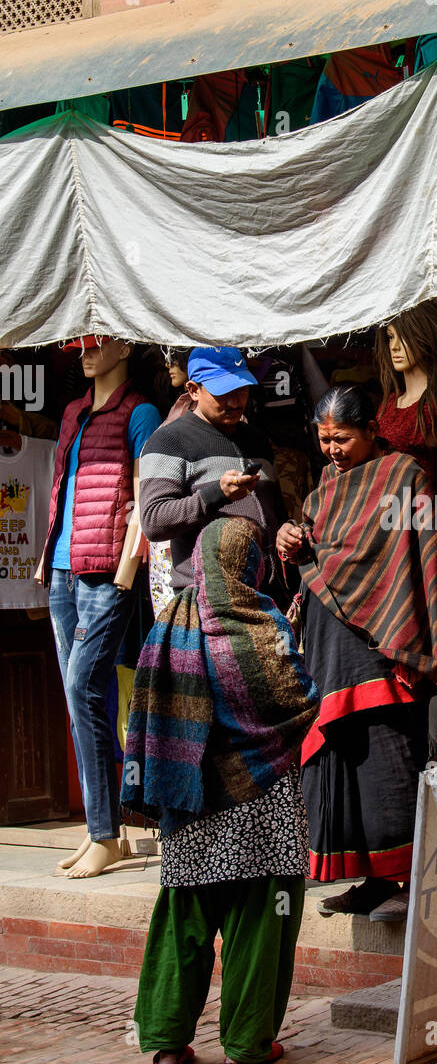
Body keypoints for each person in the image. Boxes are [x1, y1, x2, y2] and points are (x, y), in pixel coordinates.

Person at [122, 516, 319, 1064]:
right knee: (262, 916)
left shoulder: (166, 625)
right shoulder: (260, 622)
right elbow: (298, 700)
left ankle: (165, 1042)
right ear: (249, 563)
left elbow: (146, 715)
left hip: (189, 798)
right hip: (263, 799)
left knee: (183, 914)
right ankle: (247, 1044)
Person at [278, 385, 437, 922]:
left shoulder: (405, 476)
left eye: (343, 439)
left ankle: (410, 870)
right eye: (324, 439)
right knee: (341, 753)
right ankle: (368, 877)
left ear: (372, 430)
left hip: (381, 642)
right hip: (329, 640)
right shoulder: (324, 486)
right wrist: (291, 540)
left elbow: (420, 556)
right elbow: (316, 548)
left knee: (386, 753)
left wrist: (429, 637)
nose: (332, 450)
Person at [40, 335, 161, 879]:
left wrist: (125, 576)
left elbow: (145, 495)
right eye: (79, 343)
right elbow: (62, 485)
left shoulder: (141, 412)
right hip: (63, 569)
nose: (83, 350)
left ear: (125, 349)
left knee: (82, 685)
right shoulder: (73, 411)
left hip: (106, 572)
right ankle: (105, 828)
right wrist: (47, 555)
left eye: (97, 341)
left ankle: (104, 835)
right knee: (84, 696)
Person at [139, 346, 293, 601]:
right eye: (223, 393)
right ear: (193, 390)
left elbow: (275, 513)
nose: (234, 402)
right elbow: (153, 521)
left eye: (241, 390)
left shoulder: (257, 441)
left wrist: (287, 533)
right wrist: (216, 495)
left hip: (267, 595)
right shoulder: (168, 441)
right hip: (207, 599)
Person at [375, 303, 437, 498]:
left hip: (426, 515)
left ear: (425, 337)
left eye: (404, 337)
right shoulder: (388, 404)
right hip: (387, 513)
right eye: (391, 337)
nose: (394, 346)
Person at [148, 350, 192, 617]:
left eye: (176, 357)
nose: (168, 365)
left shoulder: (196, 414)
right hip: (165, 541)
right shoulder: (178, 409)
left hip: (181, 548)